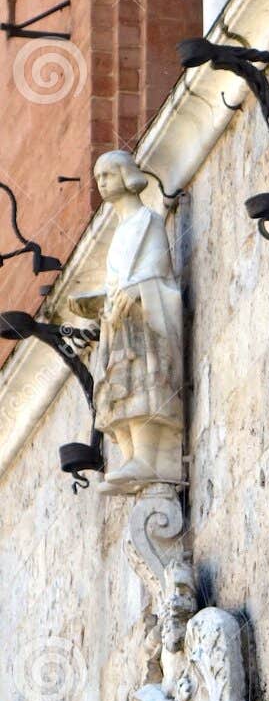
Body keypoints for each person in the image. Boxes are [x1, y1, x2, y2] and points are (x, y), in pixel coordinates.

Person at [67, 150, 184, 492]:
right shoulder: (119, 231)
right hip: (117, 322)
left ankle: (148, 458)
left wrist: (133, 291)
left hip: (140, 319)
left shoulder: (148, 221)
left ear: (126, 175)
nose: (101, 182)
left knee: (142, 381)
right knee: (119, 387)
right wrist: (101, 300)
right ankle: (132, 456)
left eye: (108, 174)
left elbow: (157, 269)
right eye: (98, 176)